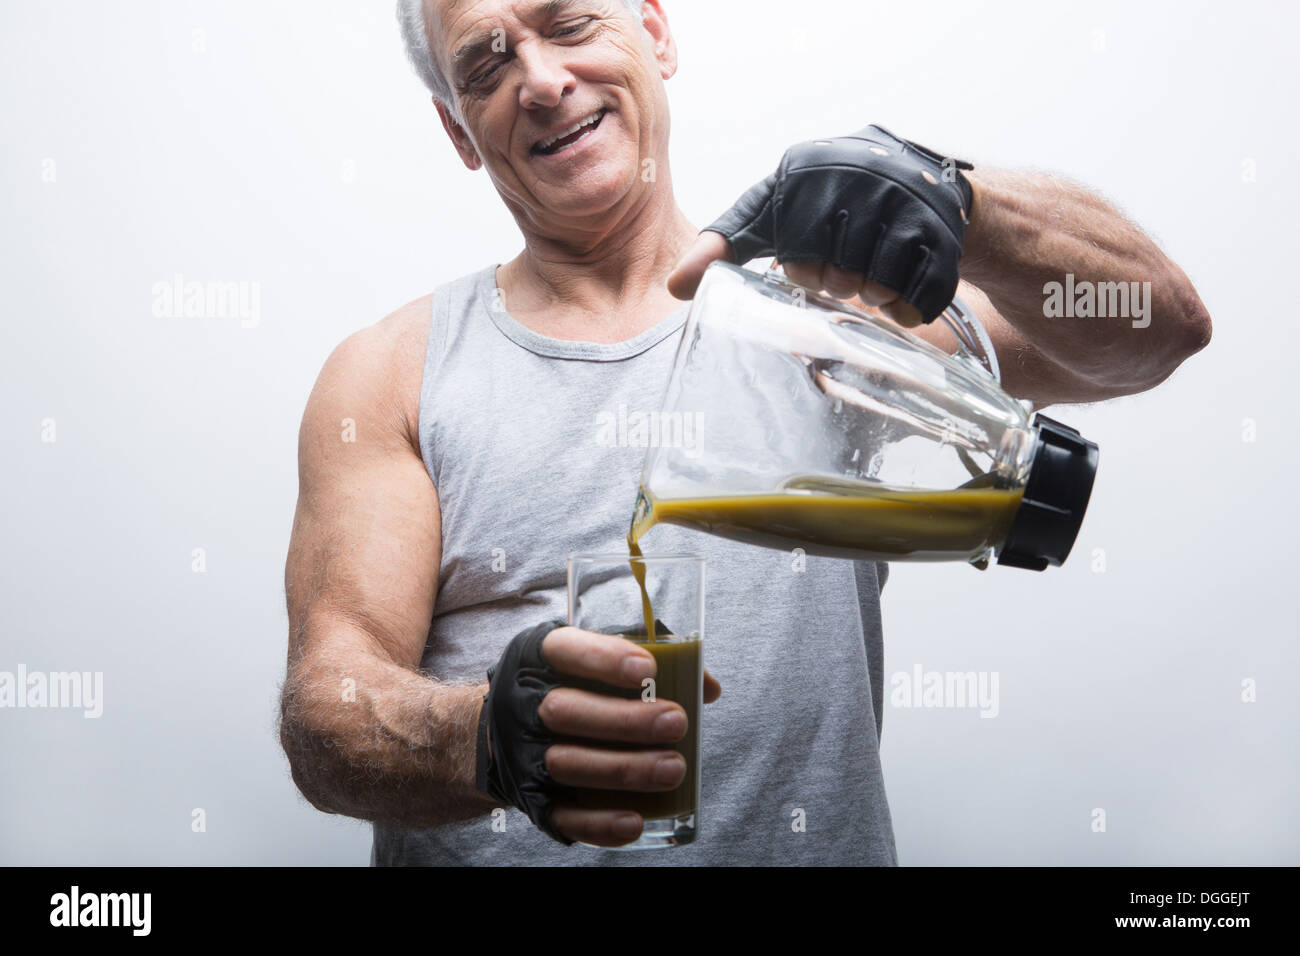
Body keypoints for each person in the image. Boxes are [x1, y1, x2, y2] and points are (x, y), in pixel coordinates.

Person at [278, 0, 1211, 865]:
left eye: (568, 21)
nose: (543, 79)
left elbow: (1160, 330)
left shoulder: (831, 309)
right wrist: (480, 738)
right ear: (458, 130)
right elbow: (327, 714)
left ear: (654, 30)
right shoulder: (393, 372)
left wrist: (961, 201)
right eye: (486, 64)